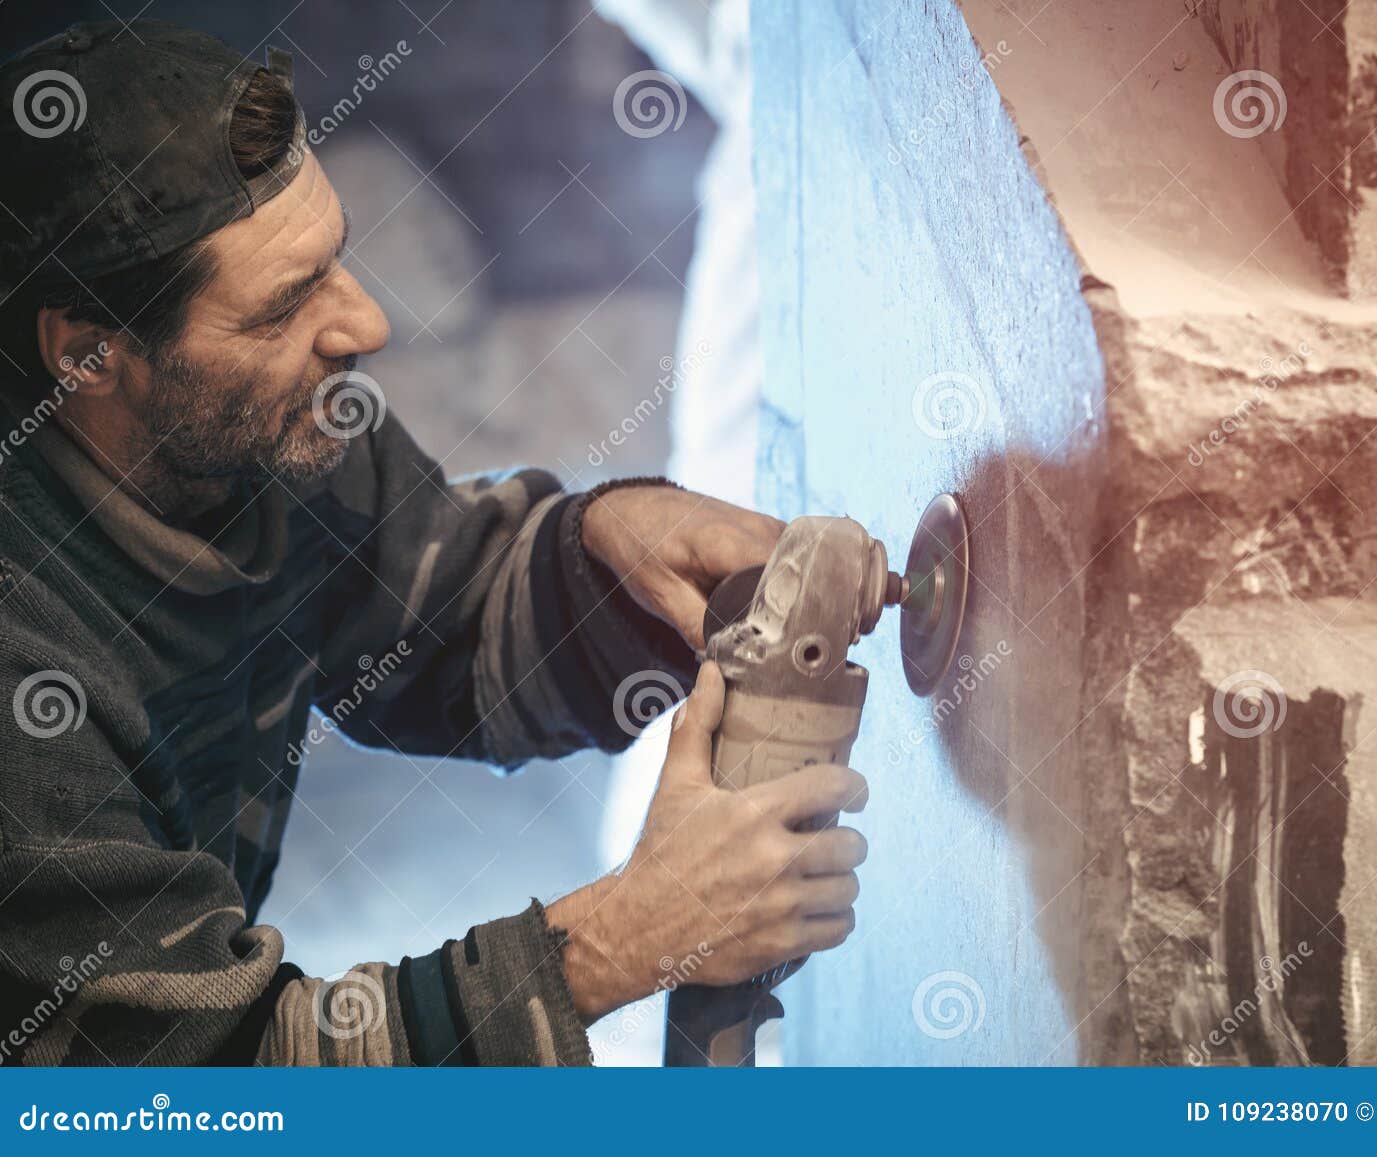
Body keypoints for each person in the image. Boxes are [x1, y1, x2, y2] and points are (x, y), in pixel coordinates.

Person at [0, 20, 865, 1066]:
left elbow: (435, 615)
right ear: (91, 354)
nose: (364, 324)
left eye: (335, 262)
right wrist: (620, 940)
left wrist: (606, 556)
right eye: (285, 305)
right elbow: (198, 1088)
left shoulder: (253, 440)